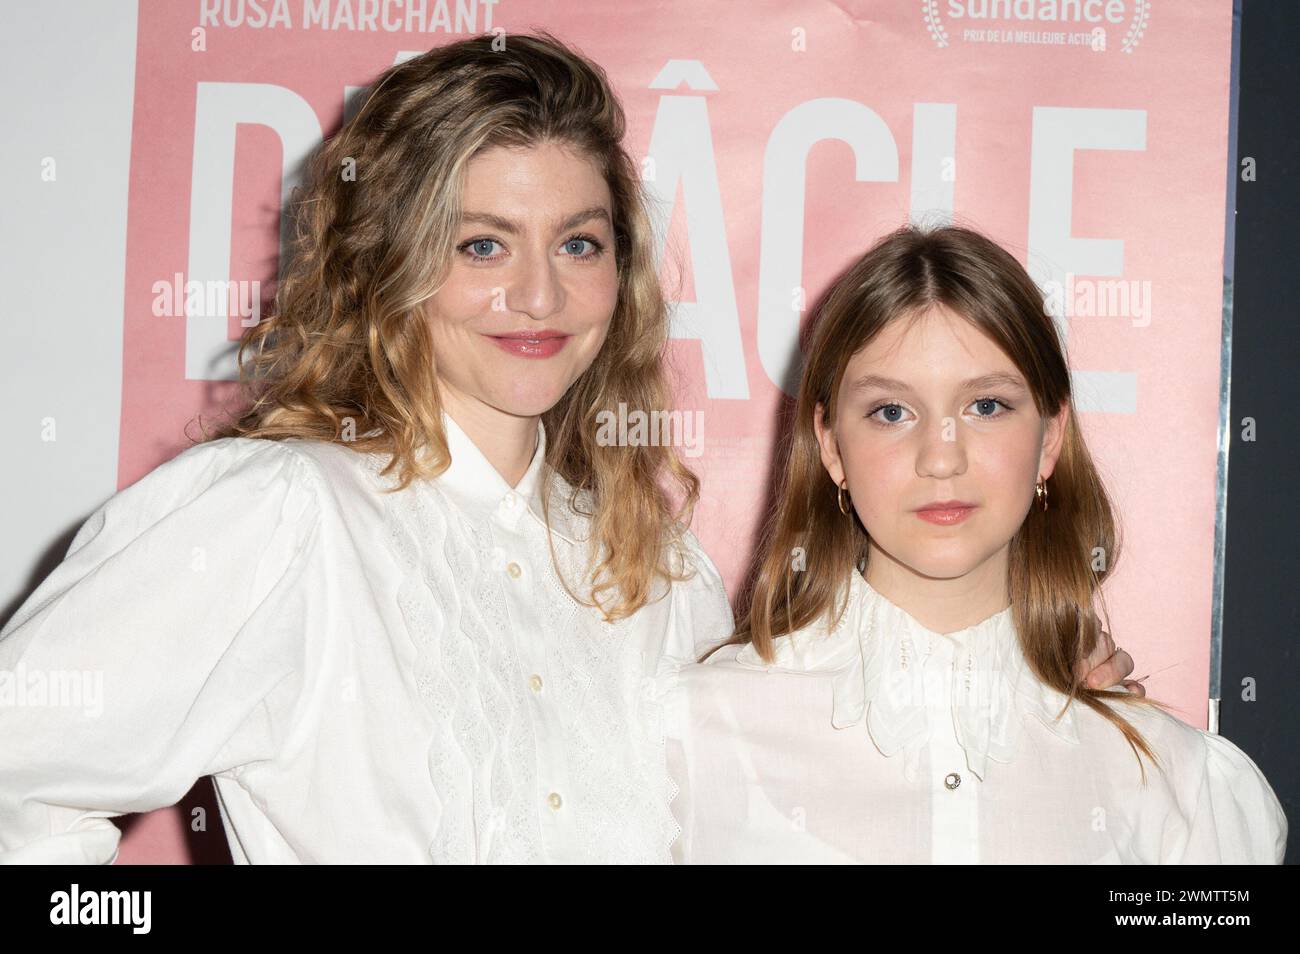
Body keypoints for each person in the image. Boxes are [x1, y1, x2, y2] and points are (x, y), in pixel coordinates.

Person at [0, 35, 1135, 865]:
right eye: (481, 242)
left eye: (578, 242)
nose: (537, 293)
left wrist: (1024, 701)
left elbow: (793, 785)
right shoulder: (275, 515)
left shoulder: (648, 566)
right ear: (387, 260)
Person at [659, 224, 1287, 864]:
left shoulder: (1173, 786)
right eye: (891, 412)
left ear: (1049, 436)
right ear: (830, 445)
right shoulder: (687, 742)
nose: (942, 457)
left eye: (986, 405)